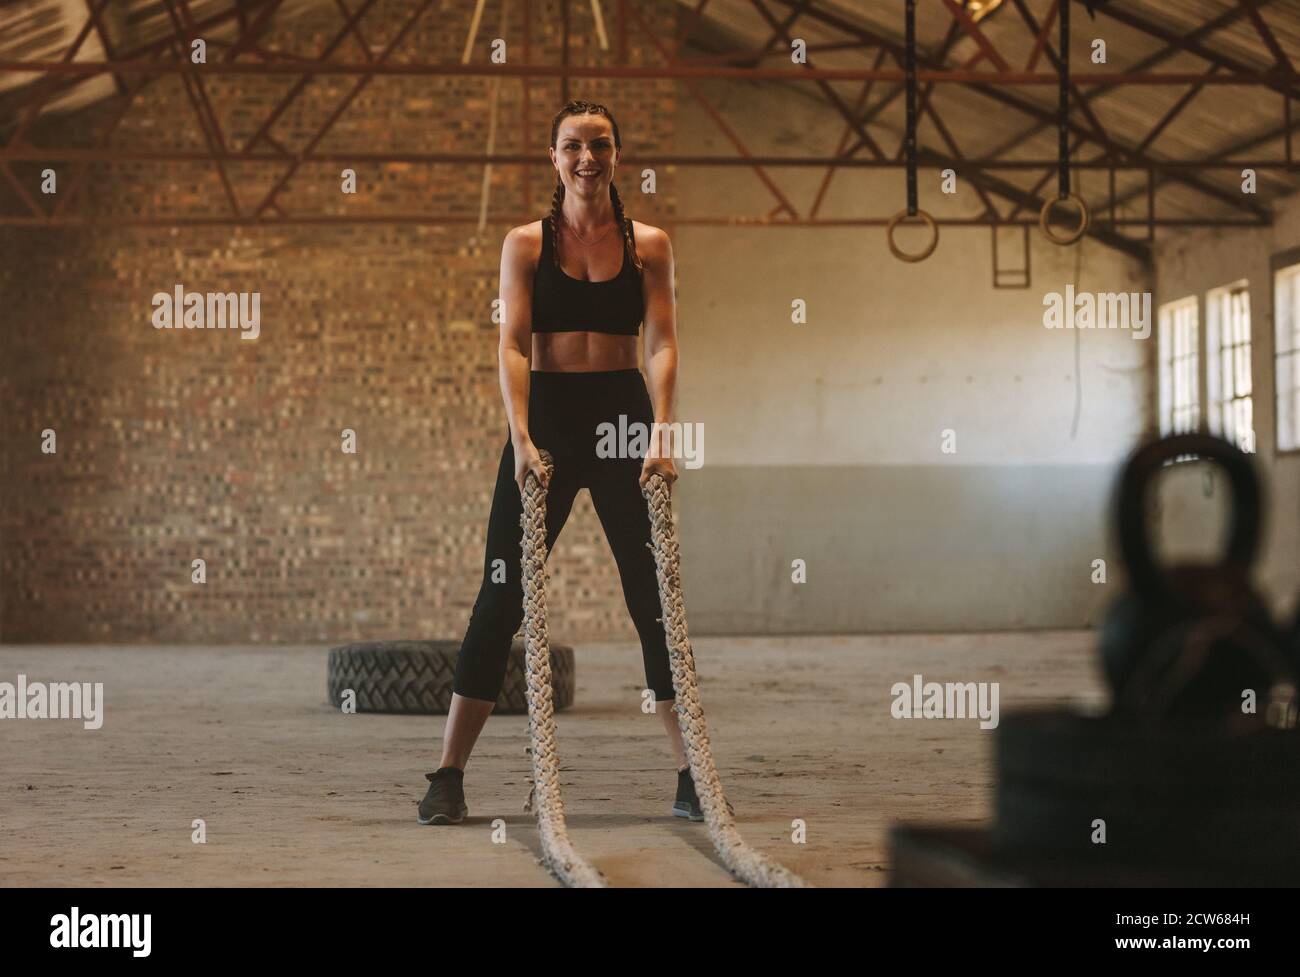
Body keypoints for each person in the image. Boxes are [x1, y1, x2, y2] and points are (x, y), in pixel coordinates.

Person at [418, 99, 707, 825]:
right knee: (500, 596)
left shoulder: (651, 244)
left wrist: (662, 434)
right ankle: (448, 774)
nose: (588, 158)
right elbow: (512, 343)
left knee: (654, 602)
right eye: (573, 146)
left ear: (617, 154)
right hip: (545, 419)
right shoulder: (525, 243)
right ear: (554, 158)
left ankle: (691, 774)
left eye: (600, 145)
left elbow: (663, 342)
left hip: (620, 419)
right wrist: (520, 437)